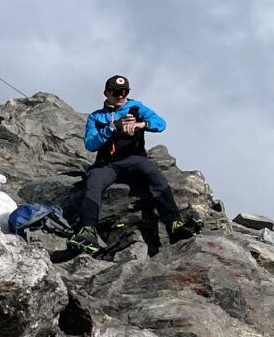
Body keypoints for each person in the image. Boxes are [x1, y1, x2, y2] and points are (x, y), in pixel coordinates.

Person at [70, 74, 190, 256]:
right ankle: (87, 230)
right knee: (93, 183)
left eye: (124, 92)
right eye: (116, 92)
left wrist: (140, 125)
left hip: (134, 159)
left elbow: (161, 124)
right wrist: (113, 127)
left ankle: (174, 224)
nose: (120, 96)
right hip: (107, 163)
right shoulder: (96, 117)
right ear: (106, 93)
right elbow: (90, 144)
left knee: (155, 175)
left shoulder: (136, 107)